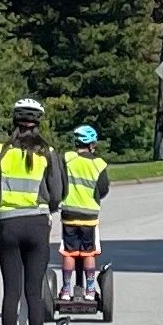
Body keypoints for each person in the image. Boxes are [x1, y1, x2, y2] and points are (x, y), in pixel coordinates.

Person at [0, 97, 65, 325]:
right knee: (34, 292)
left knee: (11, 291)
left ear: (15, 121)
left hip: (8, 225)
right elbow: (57, 194)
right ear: (38, 123)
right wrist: (47, 207)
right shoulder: (48, 153)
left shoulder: (0, 150)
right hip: (37, 225)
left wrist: (7, 206)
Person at [58, 124, 111, 301]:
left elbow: (60, 182)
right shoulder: (98, 164)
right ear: (92, 144)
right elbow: (103, 189)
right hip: (89, 215)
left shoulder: (67, 159)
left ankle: (66, 290)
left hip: (69, 214)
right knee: (89, 253)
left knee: (69, 252)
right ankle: (89, 290)